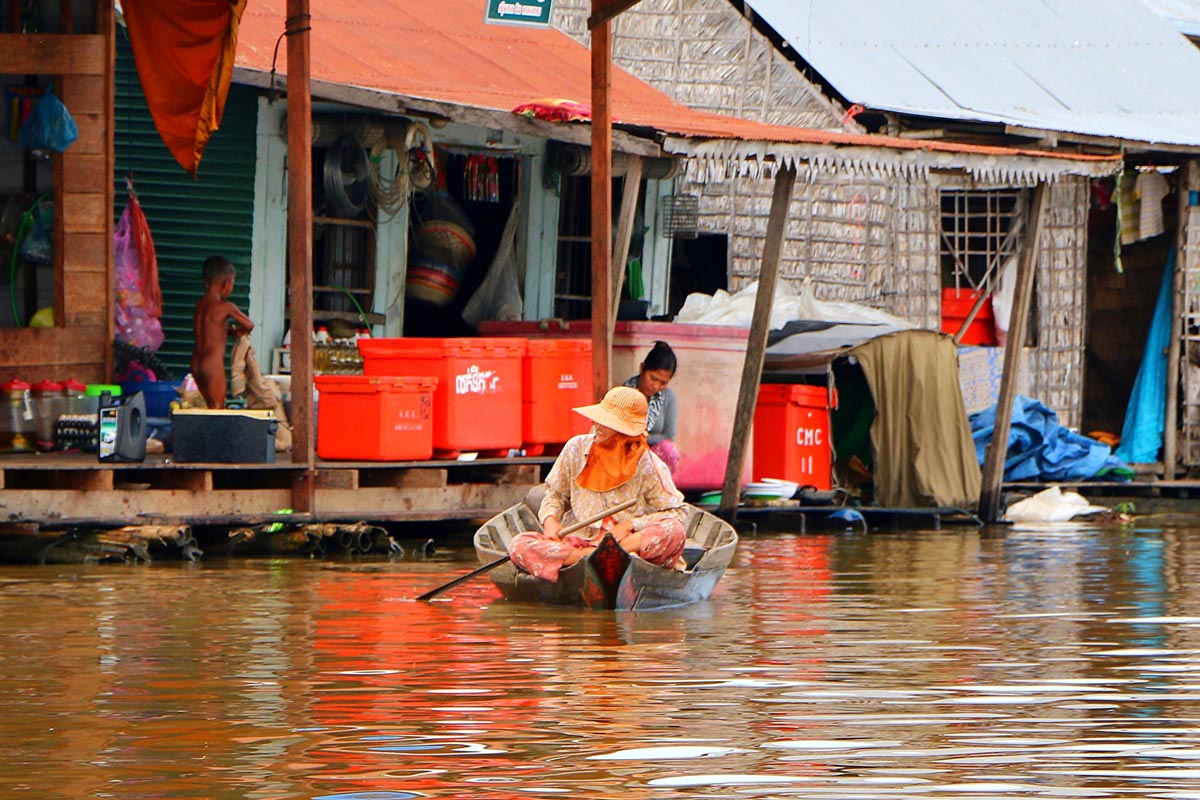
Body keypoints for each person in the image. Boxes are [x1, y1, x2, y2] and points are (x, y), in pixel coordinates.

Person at [508, 385, 689, 582]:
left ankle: (610, 556)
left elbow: (678, 513)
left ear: (625, 431)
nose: (597, 425)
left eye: (607, 422)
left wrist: (630, 524)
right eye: (599, 419)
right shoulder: (575, 449)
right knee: (519, 544)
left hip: (627, 545)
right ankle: (589, 558)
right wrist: (551, 522)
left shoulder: (648, 464)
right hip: (577, 543)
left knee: (673, 531)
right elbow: (555, 495)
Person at [191, 255, 254, 409]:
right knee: (217, 407)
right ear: (226, 283)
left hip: (196, 362)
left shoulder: (199, 306)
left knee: (207, 406)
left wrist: (229, 332)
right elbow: (249, 325)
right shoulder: (225, 307)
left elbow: (211, 330)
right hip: (212, 363)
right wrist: (240, 332)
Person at [624, 340, 679, 472]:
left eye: (663, 383)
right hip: (627, 454)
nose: (656, 386)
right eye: (653, 378)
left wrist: (643, 438)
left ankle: (660, 485)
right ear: (642, 368)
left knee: (668, 451)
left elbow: (668, 436)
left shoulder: (668, 397)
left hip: (652, 457)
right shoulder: (624, 393)